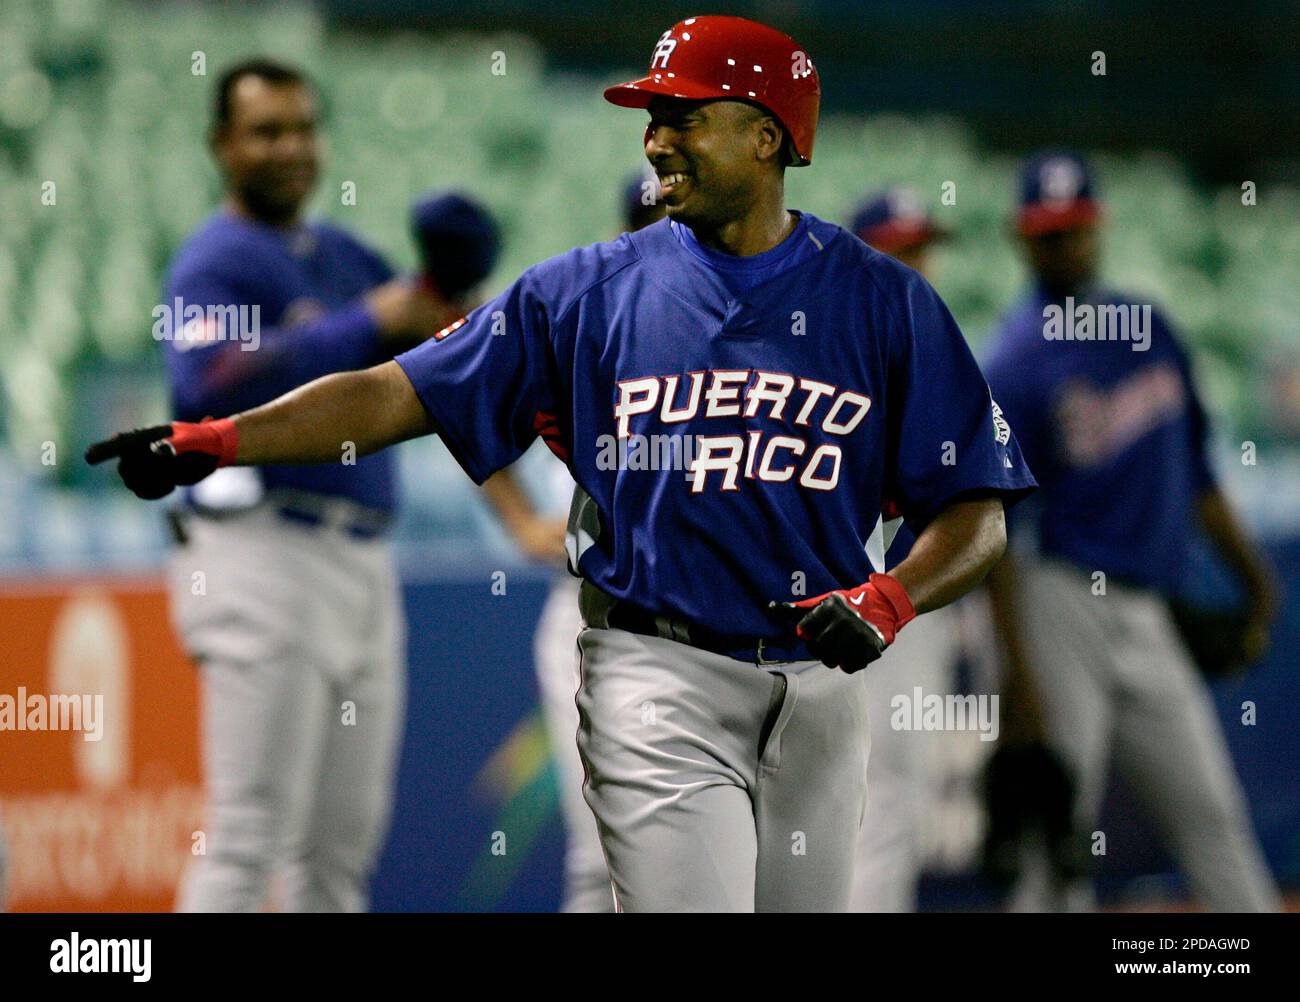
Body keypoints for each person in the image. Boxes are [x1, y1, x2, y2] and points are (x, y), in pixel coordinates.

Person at [88, 17, 1035, 912]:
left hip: (825, 687)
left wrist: (892, 598)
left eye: (685, 118)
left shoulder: (884, 303)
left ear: (768, 136)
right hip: (659, 670)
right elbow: (394, 392)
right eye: (654, 119)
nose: (658, 141)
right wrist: (218, 437)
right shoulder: (584, 292)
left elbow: (976, 507)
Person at [153, 59, 456, 912]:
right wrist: (370, 323)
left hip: (360, 558)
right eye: (265, 130)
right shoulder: (212, 262)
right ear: (222, 144)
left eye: (301, 128)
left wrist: (448, 276)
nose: (290, 147)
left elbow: (438, 336)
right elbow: (206, 389)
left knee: (340, 855)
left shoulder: (344, 254)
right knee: (247, 837)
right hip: (261, 548)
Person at [981, 150, 1281, 912]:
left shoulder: (1150, 330)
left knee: (1210, 811)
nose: (1064, 246)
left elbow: (1200, 476)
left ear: (1097, 229)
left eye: (1074, 230)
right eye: (1049, 233)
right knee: (1061, 821)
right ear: (1022, 238)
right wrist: (1017, 672)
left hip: (1151, 605)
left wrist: (1253, 576)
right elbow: (997, 530)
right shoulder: (1015, 361)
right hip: (1063, 595)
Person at [480, 172, 666, 913]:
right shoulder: (590, 313)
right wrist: (525, 524)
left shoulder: (732, 315)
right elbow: (471, 395)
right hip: (594, 609)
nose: (658, 231)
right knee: (604, 852)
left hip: (706, 621)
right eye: (645, 219)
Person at [844, 187, 962, 912]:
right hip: (875, 603)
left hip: (909, 599)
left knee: (878, 806)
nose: (917, 268)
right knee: (882, 803)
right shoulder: (866, 352)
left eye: (923, 251)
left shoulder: (927, 349)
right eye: (900, 252)